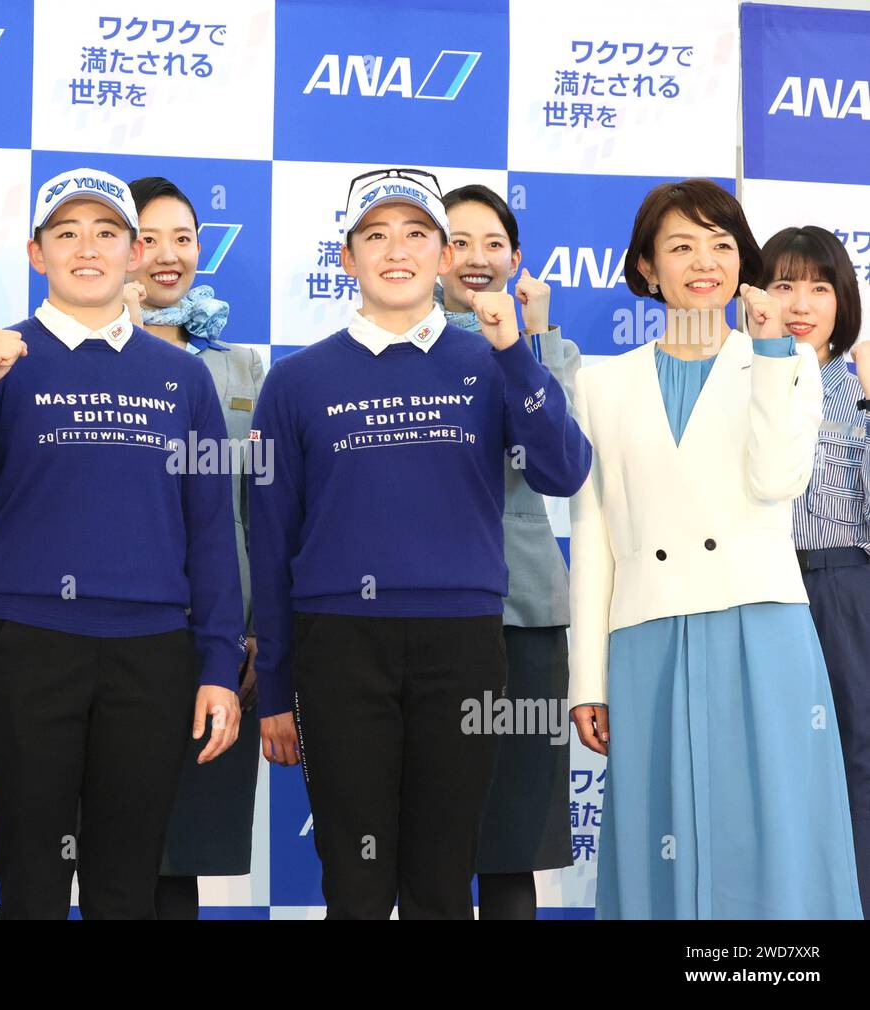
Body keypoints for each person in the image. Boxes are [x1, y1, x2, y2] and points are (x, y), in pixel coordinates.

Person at [250, 167, 591, 919]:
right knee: (357, 882)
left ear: (442, 258)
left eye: (415, 234)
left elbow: (563, 471)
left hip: (462, 644)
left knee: (442, 883)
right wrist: (275, 688)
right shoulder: (296, 380)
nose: (395, 250)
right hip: (338, 646)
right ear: (346, 258)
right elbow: (272, 542)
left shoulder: (493, 361)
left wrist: (515, 354)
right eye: (375, 235)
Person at [0, 168, 246, 919]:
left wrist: (221, 662)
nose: (86, 248)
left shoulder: (183, 378)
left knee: (125, 888)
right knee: (31, 884)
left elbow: (212, 531)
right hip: (27, 646)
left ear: (132, 253)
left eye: (105, 233)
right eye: (67, 233)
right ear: (37, 253)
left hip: (152, 654)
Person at [569, 179, 863, 919]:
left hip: (761, 624)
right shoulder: (600, 383)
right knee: (659, 827)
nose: (705, 261)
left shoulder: (787, 362)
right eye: (682, 245)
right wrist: (588, 680)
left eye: (723, 245)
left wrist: (769, 353)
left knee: (773, 830)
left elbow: (777, 480)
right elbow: (596, 533)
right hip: (649, 631)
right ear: (646, 269)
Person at [123, 176, 263, 919]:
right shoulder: (79, 360)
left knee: (186, 849)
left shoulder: (243, 368)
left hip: (218, 639)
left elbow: (260, 512)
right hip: (115, 634)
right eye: (148, 238)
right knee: (113, 844)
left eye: (184, 237)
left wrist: (254, 635)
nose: (167, 255)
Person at [436, 184, 578, 919]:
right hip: (419, 615)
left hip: (523, 611)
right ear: (431, 255)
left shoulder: (550, 350)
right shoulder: (396, 351)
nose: (476, 258)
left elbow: (558, 460)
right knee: (422, 839)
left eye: (493, 244)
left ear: (517, 259)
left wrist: (531, 338)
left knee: (511, 844)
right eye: (457, 242)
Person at [761, 225, 870, 915]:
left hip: (845, 584)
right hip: (761, 586)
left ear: (842, 299)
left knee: (857, 753)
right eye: (783, 283)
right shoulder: (739, 378)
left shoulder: (856, 386)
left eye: (819, 286)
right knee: (769, 757)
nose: (801, 302)